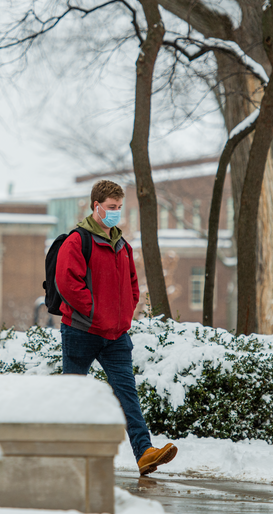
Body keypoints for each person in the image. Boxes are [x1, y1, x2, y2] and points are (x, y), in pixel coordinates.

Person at [55, 179, 177, 477]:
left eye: (119, 208)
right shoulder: (77, 240)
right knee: (73, 395)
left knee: (128, 395)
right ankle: (63, 455)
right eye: (111, 208)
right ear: (96, 206)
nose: (116, 213)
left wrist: (124, 316)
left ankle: (145, 453)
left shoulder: (122, 244)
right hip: (82, 332)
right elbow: (66, 283)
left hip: (116, 335)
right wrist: (95, 312)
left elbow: (133, 286)